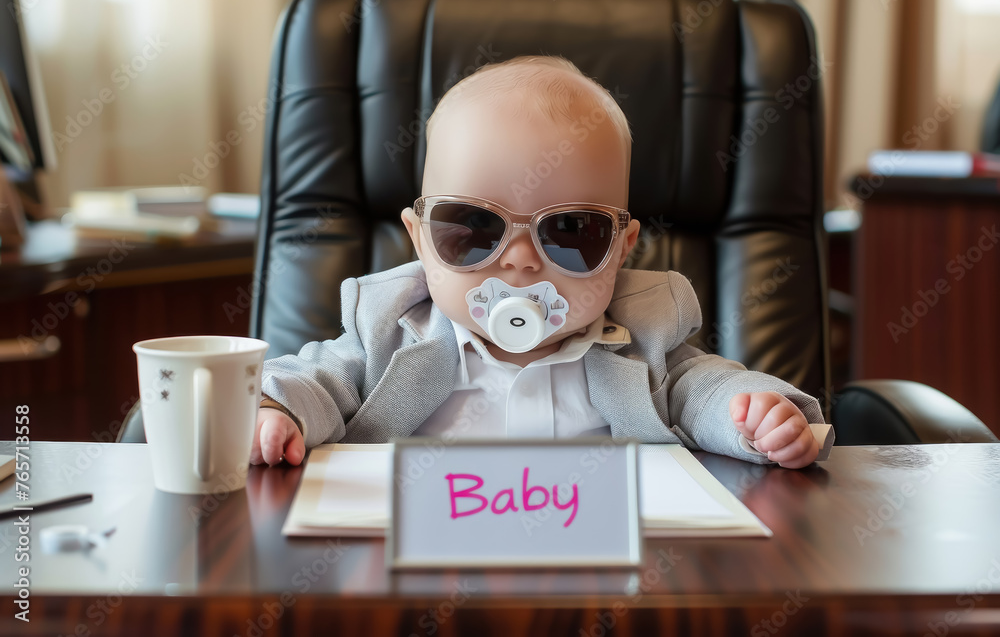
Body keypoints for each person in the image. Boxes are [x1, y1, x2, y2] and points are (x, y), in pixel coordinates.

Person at [251, 55, 833, 470]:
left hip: (597, 570)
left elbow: (704, 391)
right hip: (424, 561)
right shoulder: (387, 338)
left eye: (572, 231)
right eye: (474, 227)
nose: (523, 261)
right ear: (421, 239)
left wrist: (754, 419)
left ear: (620, 249)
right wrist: (277, 412)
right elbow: (314, 379)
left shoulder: (642, 343)